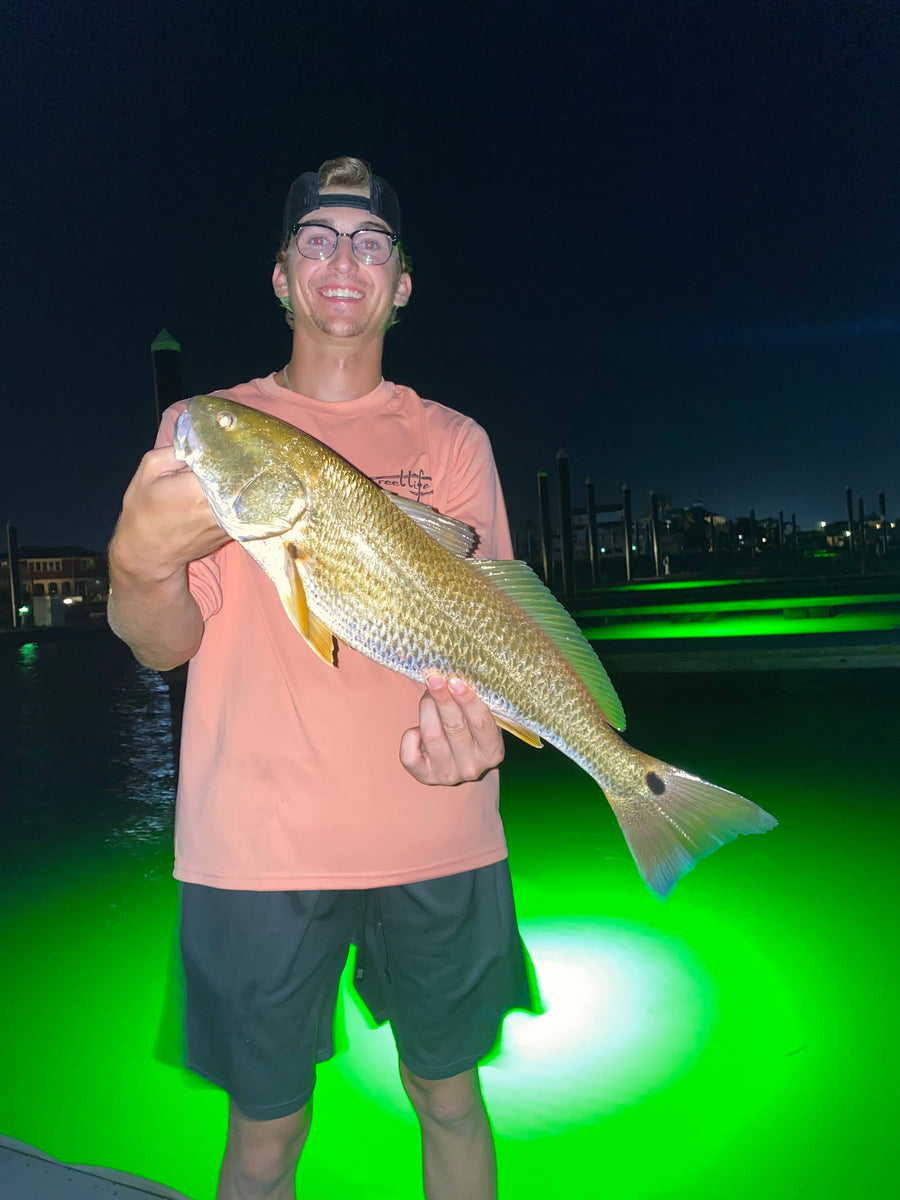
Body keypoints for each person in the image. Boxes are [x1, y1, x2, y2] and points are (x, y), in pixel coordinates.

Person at [108, 156, 537, 1200]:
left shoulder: (454, 441)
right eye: (316, 239)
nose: (342, 259)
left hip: (440, 834)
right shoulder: (210, 428)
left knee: (451, 1100)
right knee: (266, 1138)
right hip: (256, 848)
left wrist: (488, 733)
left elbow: (491, 628)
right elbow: (161, 642)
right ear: (281, 278)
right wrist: (138, 558)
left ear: (400, 286)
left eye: (369, 242)